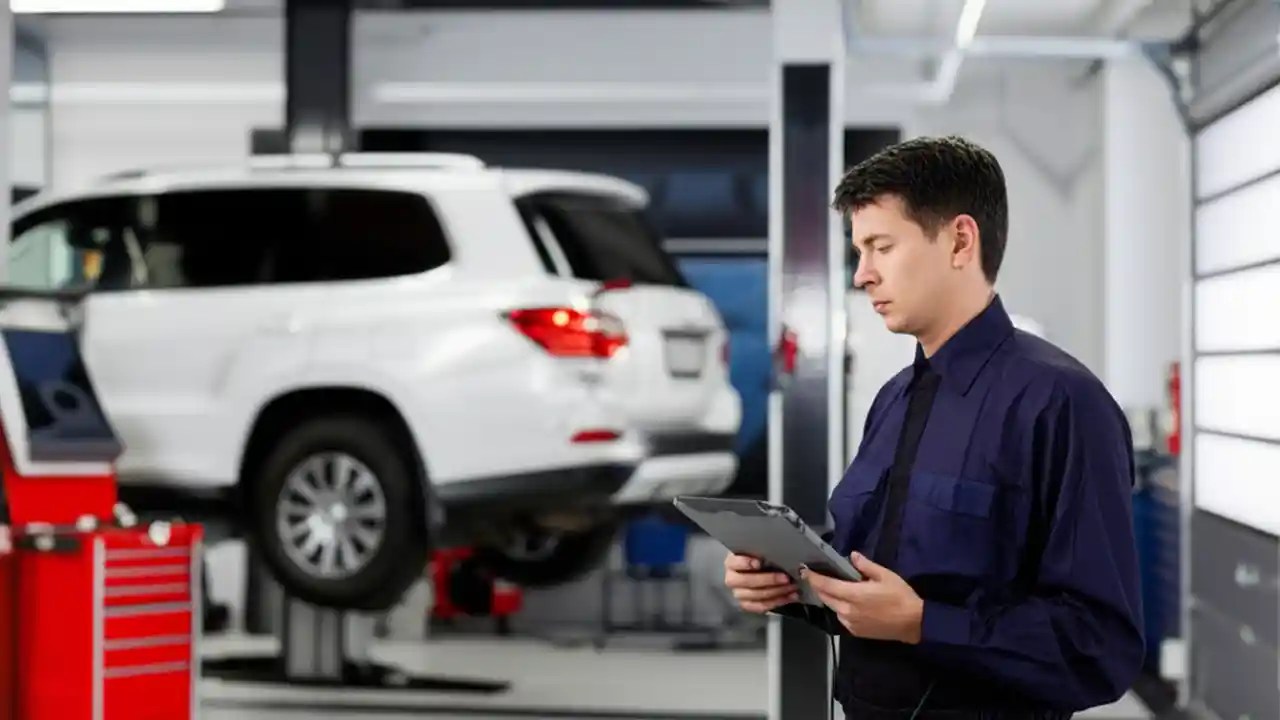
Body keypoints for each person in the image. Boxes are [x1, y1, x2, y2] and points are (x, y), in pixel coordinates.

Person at [724, 136, 1144, 719]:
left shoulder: (1063, 404)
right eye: (858, 251)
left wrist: (924, 624)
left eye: (881, 247)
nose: (862, 276)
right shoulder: (894, 399)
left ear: (960, 241)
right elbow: (868, 582)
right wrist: (795, 587)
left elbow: (1100, 648)